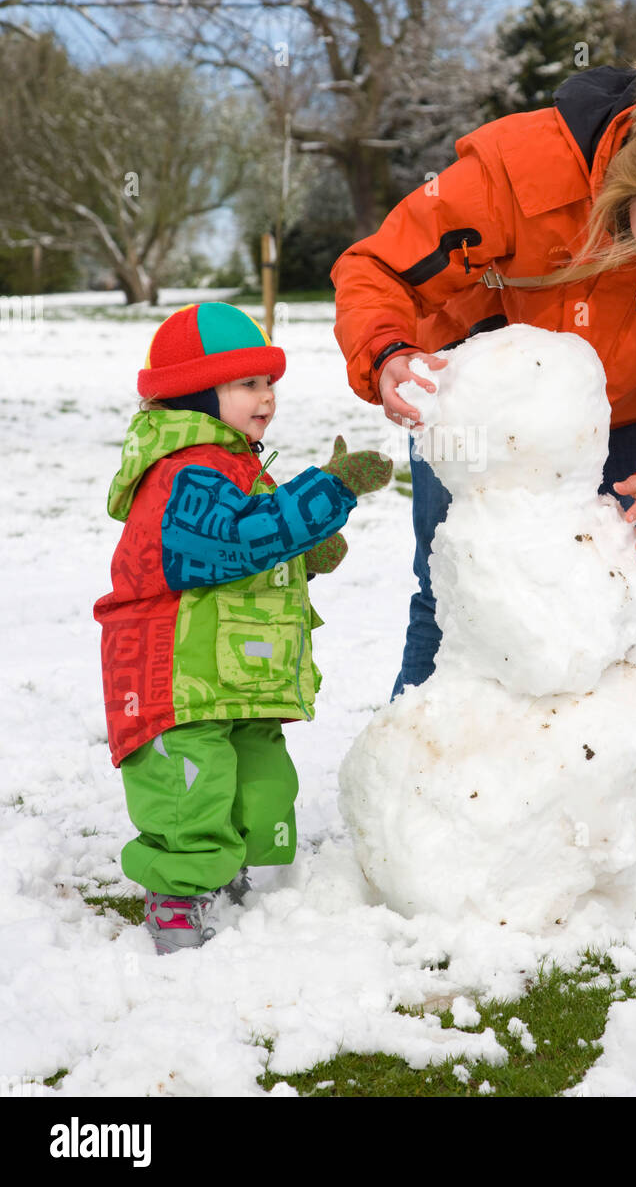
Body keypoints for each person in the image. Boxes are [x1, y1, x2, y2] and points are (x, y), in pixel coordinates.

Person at [330, 57, 636, 899]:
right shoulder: (516, 174)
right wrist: (391, 353)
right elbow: (377, 270)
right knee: (452, 601)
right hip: (492, 426)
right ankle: (415, 797)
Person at [93, 301, 391, 954]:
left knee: (262, 788)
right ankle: (175, 895)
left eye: (269, 382)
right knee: (190, 787)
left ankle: (223, 872)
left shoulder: (235, 464)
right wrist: (325, 494)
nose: (266, 397)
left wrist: (301, 557)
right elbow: (232, 543)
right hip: (173, 666)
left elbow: (247, 553)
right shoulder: (183, 470)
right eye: (246, 384)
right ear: (198, 395)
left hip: (229, 667)